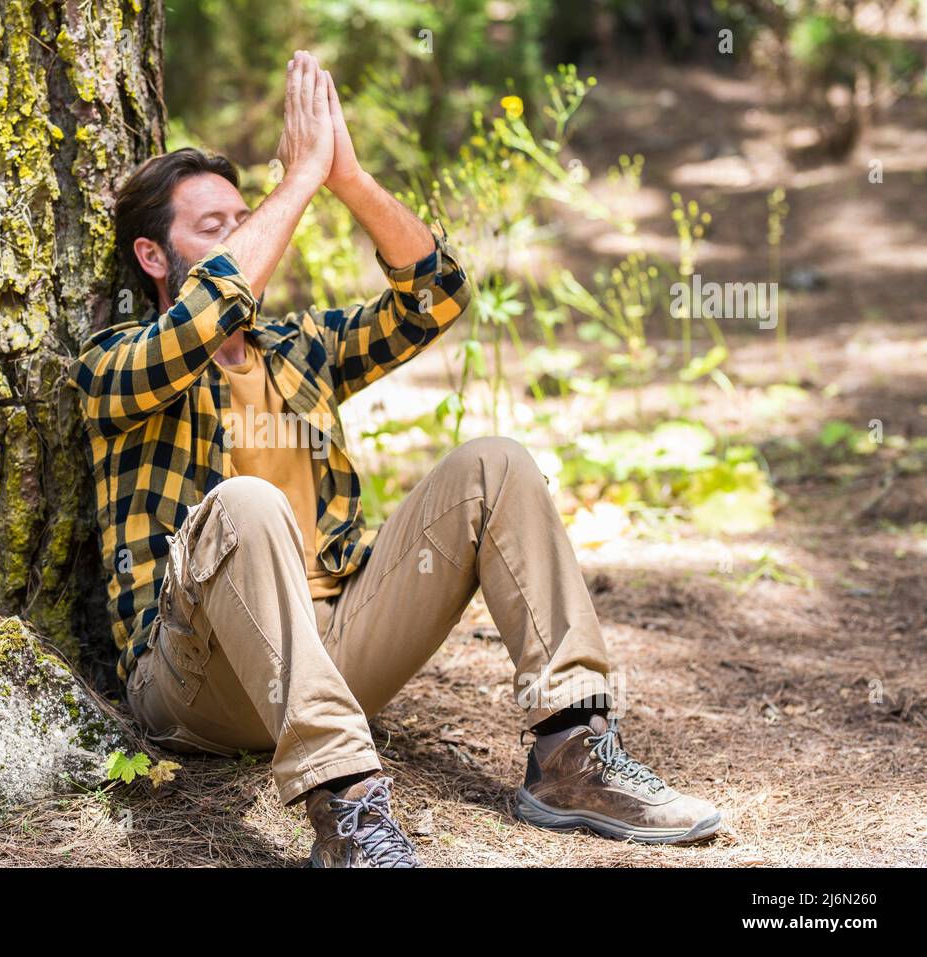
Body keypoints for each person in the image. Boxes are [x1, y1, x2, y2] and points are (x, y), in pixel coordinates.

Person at [67, 50, 721, 867]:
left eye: (249, 216)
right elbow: (209, 313)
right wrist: (295, 183)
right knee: (245, 504)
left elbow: (437, 294)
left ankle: (572, 755)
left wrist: (345, 177)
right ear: (154, 258)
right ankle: (349, 816)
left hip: (335, 645)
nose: (246, 235)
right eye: (216, 226)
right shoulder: (114, 365)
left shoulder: (298, 348)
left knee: (495, 461)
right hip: (198, 681)